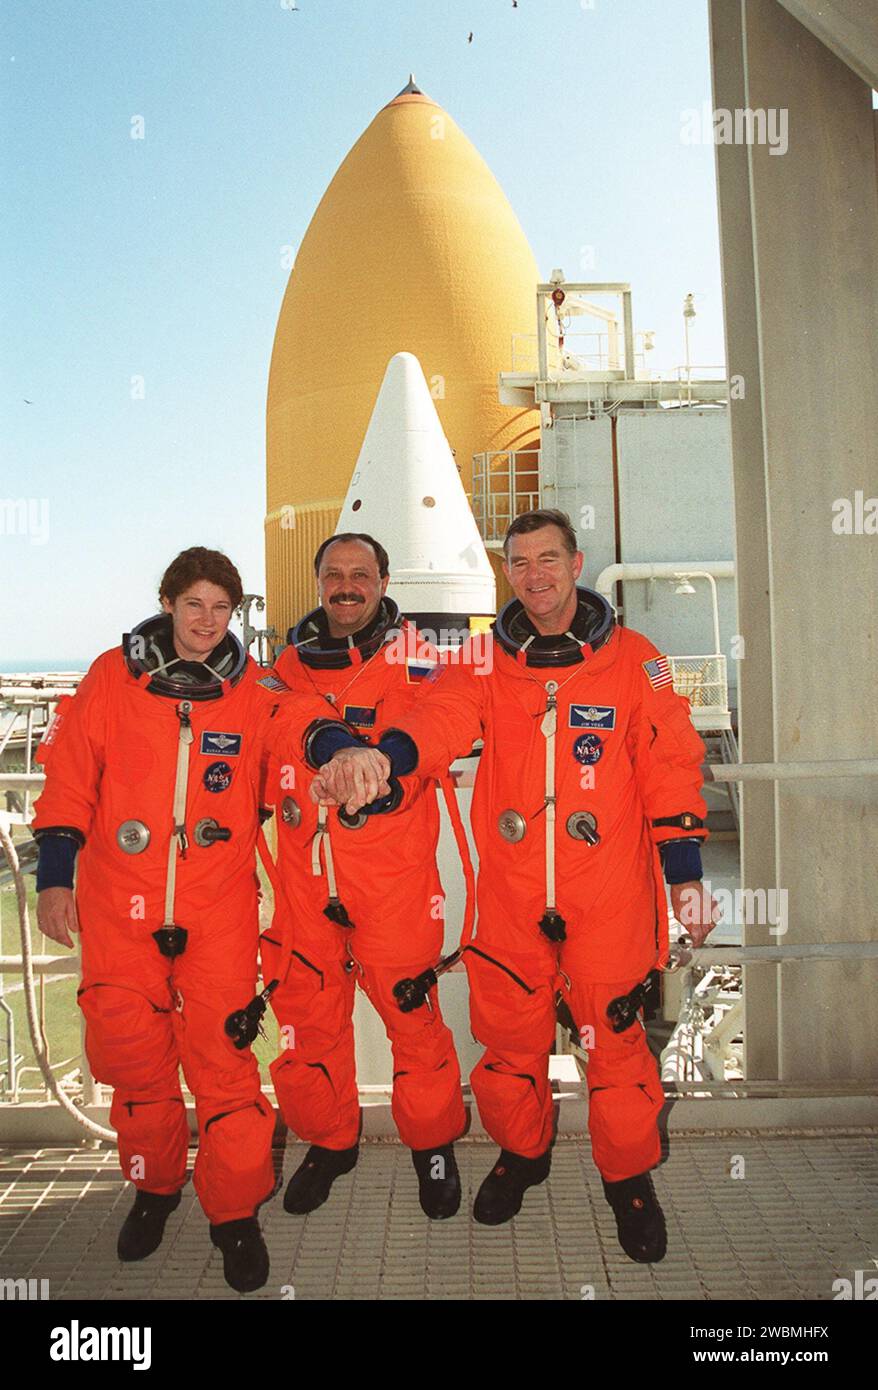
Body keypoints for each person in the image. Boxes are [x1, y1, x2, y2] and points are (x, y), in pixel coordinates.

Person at [309, 510, 718, 1262]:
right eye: (520, 562)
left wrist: (685, 876)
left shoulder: (639, 660)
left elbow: (671, 766)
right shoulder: (479, 661)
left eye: (549, 559)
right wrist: (381, 759)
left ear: (576, 561)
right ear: (507, 572)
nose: (536, 575)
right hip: (512, 903)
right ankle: (522, 1156)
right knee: (508, 1049)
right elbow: (436, 722)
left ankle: (628, 1183)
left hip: (610, 902)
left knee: (619, 1052)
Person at [32, 547, 328, 1292]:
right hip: (117, 904)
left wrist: (340, 746)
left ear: (236, 615)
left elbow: (296, 721)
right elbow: (68, 775)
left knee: (226, 1063)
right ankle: (154, 1186)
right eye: (194, 605)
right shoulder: (111, 676)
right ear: (167, 604)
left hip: (216, 910)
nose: (207, 622)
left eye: (221, 609)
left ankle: (233, 1215)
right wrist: (55, 880)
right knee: (133, 1061)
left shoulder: (252, 689)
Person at [262, 532, 466, 1220]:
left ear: (383, 581)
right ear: (319, 582)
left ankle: (432, 1146)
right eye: (334, 574)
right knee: (307, 1025)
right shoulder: (285, 667)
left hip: (392, 886)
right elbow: (271, 717)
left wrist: (385, 761)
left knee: (414, 1023)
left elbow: (451, 713)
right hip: (303, 889)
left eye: (361, 574)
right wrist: (334, 746)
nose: (346, 586)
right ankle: (329, 1141)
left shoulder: (421, 657)